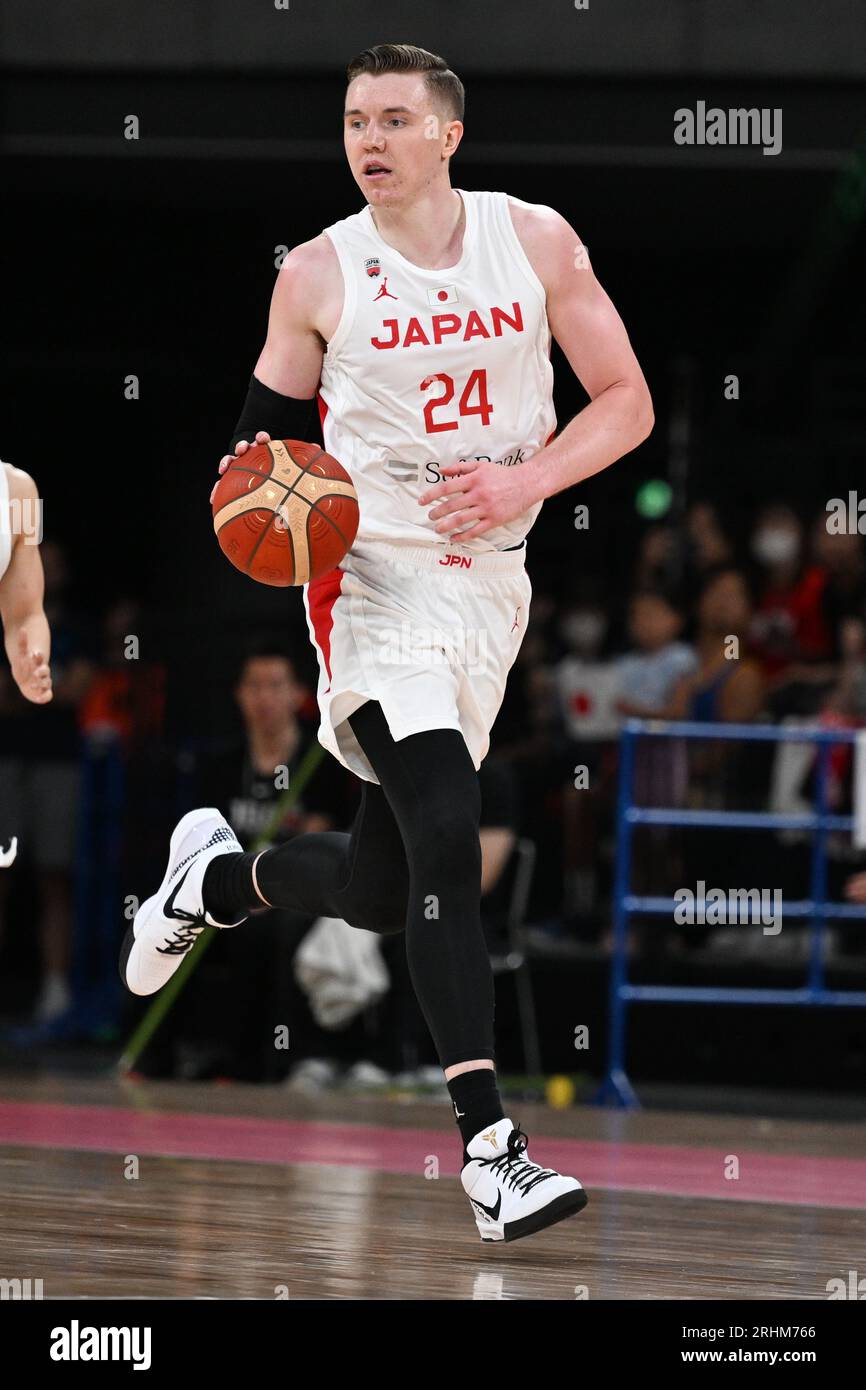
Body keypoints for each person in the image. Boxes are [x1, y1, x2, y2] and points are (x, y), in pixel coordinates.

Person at [121, 42, 653, 1242]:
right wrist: (254, 500)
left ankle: (213, 880)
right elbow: (252, 450)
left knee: (381, 886)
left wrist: (530, 480)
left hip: (487, 583)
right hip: (367, 584)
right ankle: (490, 1149)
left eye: (394, 119)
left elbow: (625, 402)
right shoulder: (316, 273)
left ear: (446, 135)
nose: (369, 139)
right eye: (354, 119)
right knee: (451, 833)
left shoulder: (537, 241)